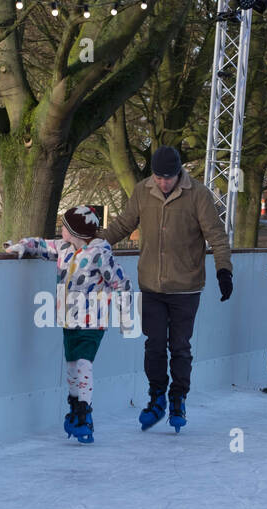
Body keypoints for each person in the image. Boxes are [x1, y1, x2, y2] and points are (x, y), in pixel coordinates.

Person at [99, 146, 232, 432]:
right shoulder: (142, 191)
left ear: (179, 172)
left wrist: (224, 271)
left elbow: (216, 236)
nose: (162, 183)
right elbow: (123, 224)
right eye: (158, 177)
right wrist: (93, 246)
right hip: (152, 285)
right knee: (154, 345)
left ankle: (178, 398)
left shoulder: (197, 194)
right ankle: (157, 396)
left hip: (186, 287)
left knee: (180, 347)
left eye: (168, 178)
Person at [6, 206, 134, 444]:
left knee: (84, 363)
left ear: (75, 232)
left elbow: (120, 282)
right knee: (72, 365)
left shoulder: (99, 254)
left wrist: (125, 318)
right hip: (69, 319)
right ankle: (75, 406)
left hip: (93, 320)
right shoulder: (64, 248)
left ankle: (85, 411)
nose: (61, 230)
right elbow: (42, 245)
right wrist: (23, 245)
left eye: (64, 226)